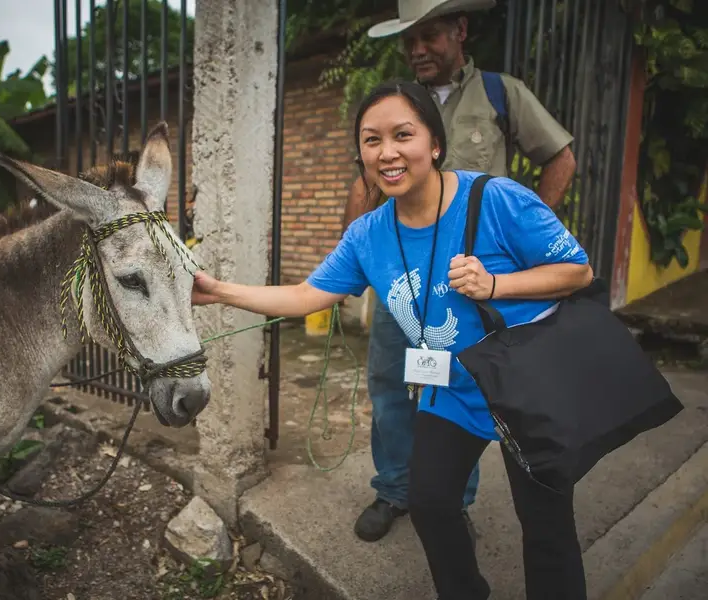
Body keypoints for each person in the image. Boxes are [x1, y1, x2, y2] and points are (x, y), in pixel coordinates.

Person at [193, 80, 592, 600]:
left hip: (525, 386)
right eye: (371, 140)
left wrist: (495, 284)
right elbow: (304, 295)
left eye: (403, 135)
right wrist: (219, 291)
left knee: (546, 526)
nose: (387, 153)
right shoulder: (367, 234)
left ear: (434, 144)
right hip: (451, 391)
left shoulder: (496, 199)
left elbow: (577, 271)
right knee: (429, 503)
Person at [345, 0, 578, 543]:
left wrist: (528, 247)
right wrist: (354, 262)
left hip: (464, 290)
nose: (419, 49)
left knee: (456, 392)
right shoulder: (395, 101)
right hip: (399, 283)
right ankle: (394, 488)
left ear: (461, 30)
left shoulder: (502, 93)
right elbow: (365, 182)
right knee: (388, 387)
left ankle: (453, 501)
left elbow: (560, 157)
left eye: (430, 36)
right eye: (410, 40)